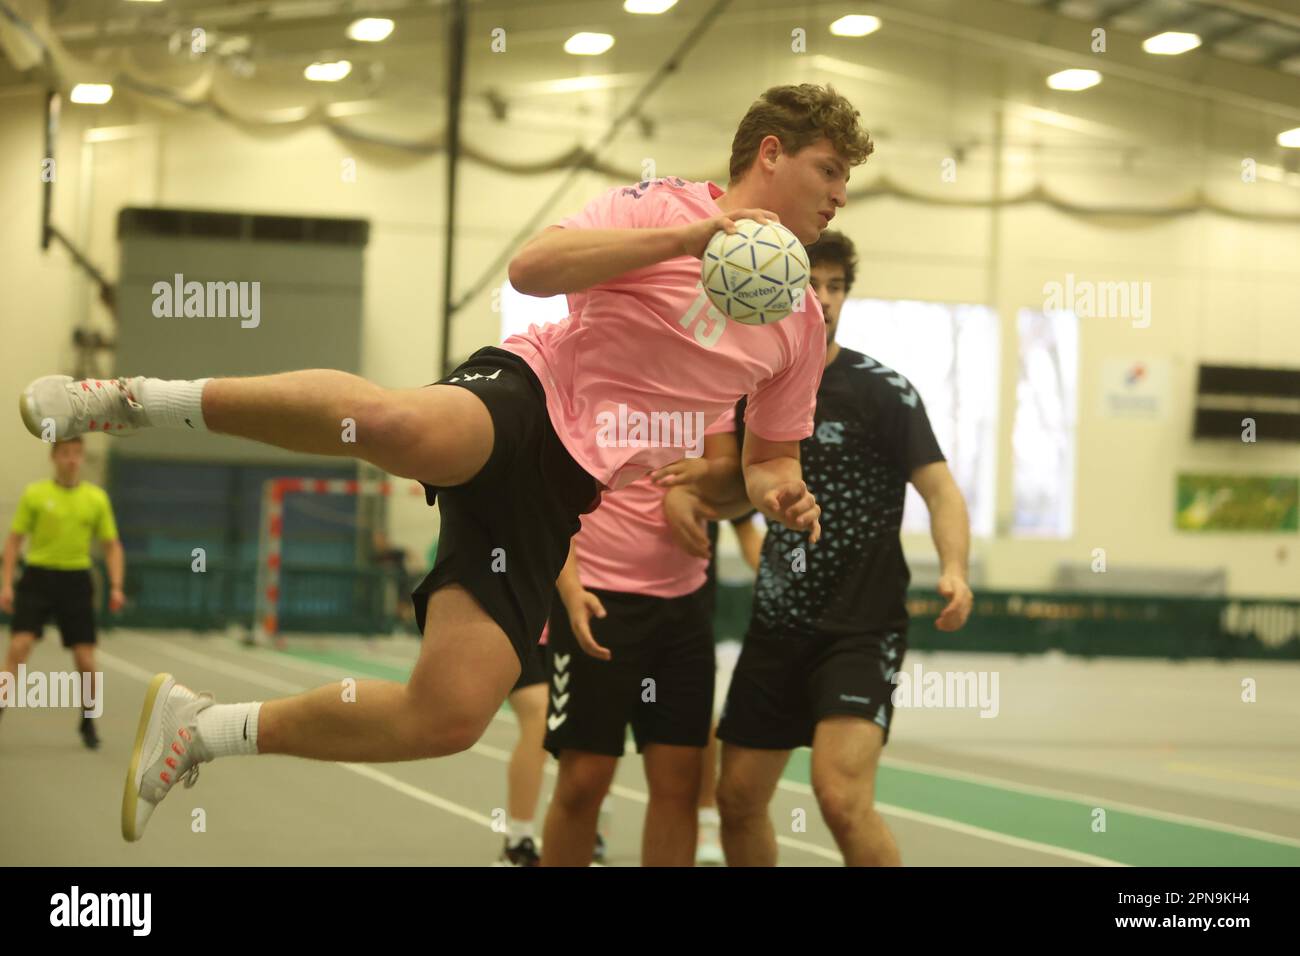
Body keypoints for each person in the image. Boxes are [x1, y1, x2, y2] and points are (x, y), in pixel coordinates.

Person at [17, 84, 873, 844]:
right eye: (829, 169)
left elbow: (769, 459)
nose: (839, 195)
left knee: (449, 715)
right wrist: (687, 238)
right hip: (532, 394)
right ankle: (133, 398)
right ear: (772, 152)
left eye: (846, 180)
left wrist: (782, 493)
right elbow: (533, 268)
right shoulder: (662, 207)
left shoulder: (800, 325)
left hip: (561, 494)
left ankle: (201, 728)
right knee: (390, 424)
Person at [673, 231, 974, 866]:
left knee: (838, 796)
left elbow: (942, 492)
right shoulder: (751, 388)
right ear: (780, 291)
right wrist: (699, 490)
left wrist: (955, 570)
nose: (826, 299)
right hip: (777, 628)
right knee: (737, 798)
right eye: (812, 284)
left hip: (861, 631)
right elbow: (737, 497)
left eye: (836, 287)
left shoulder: (883, 391)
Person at [538, 414, 737, 867]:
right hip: (596, 599)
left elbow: (730, 471)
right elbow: (548, 497)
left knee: (679, 781)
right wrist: (570, 590)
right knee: (583, 779)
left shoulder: (712, 378)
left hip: (683, 606)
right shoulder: (584, 373)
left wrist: (702, 475)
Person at [0, 437, 125, 749]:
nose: (71, 460)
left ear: (82, 458)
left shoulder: (95, 499)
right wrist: (5, 584)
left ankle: (88, 718)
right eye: (65, 454)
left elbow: (111, 545)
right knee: (19, 646)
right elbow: (15, 541)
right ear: (54, 457)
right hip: (37, 578)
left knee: (85, 658)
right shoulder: (36, 494)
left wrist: (117, 586)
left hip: (75, 581)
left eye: (77, 454)